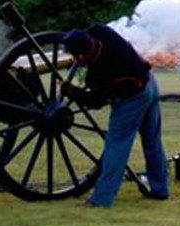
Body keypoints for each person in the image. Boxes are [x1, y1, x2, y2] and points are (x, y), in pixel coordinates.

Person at [61, 24, 168, 207]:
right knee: (152, 142)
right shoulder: (99, 32)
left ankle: (101, 199)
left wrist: (72, 91)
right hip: (150, 82)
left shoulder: (98, 73)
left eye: (74, 56)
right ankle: (160, 190)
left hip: (133, 96)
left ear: (80, 55)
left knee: (116, 146)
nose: (74, 60)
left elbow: (96, 101)